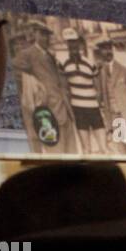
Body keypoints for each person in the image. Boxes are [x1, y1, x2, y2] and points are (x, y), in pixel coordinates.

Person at [11, 21, 77, 153]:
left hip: (64, 110)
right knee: (56, 155)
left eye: (47, 35)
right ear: (35, 34)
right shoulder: (28, 54)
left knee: (71, 154)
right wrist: (33, 84)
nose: (46, 38)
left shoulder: (50, 55)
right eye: (42, 34)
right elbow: (13, 69)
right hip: (47, 113)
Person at [60, 27, 105, 154]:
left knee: (104, 148)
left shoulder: (90, 62)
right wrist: (71, 111)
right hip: (78, 110)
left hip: (94, 108)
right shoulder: (63, 63)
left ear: (79, 43)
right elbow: (64, 89)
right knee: (86, 150)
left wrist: (99, 103)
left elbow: (99, 87)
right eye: (69, 42)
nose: (72, 45)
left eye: (74, 41)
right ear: (66, 44)